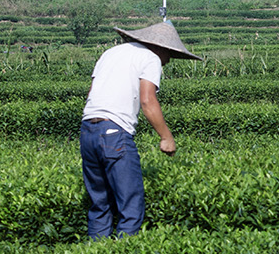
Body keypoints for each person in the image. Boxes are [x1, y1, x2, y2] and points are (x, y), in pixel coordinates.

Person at [79, 21, 201, 239]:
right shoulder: (150, 58)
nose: (169, 60)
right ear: (160, 47)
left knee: (100, 203)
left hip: (88, 129)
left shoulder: (110, 53)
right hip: (114, 133)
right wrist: (166, 137)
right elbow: (147, 99)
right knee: (131, 204)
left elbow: (92, 92)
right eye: (170, 53)